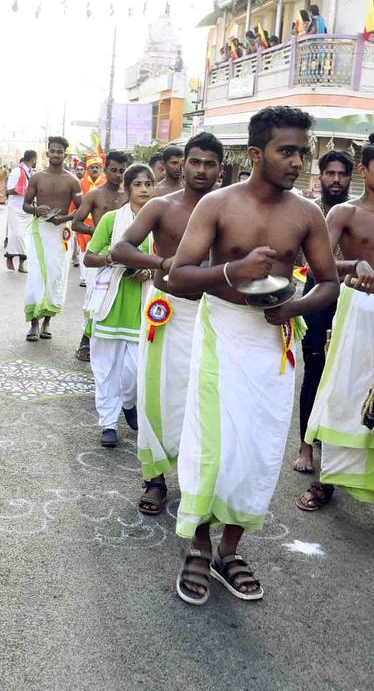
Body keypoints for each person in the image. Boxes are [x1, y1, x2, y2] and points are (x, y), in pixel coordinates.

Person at [167, 106, 339, 605]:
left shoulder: (307, 214)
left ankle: (229, 550)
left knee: (259, 446)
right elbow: (178, 275)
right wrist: (233, 270)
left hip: (273, 341)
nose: (298, 162)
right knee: (212, 444)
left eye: (302, 152)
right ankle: (199, 546)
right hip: (221, 332)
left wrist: (294, 309)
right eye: (287, 151)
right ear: (256, 153)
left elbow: (329, 282)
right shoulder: (218, 204)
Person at [299, 134, 374, 536]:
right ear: (364, 171)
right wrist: (353, 265)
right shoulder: (344, 213)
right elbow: (318, 265)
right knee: (345, 395)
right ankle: (326, 482)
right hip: (355, 311)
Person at [110, 132, 222, 515]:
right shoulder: (161, 205)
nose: (201, 170)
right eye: (195, 161)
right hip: (167, 310)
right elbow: (121, 248)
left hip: (213, 313)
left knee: (205, 399)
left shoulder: (229, 208)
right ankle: (155, 480)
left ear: (220, 169)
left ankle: (196, 482)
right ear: (182, 164)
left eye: (210, 163)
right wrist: (161, 262)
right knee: (158, 395)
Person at [82, 163, 152, 447]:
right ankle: (108, 423)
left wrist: (149, 271)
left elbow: (167, 261)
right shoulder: (112, 220)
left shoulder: (159, 221)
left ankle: (128, 403)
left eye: (148, 184)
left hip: (144, 305)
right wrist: (114, 258)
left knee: (135, 371)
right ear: (127, 188)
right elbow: (89, 258)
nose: (144, 189)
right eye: (138, 184)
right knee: (106, 368)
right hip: (110, 303)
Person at [293, 150, 353, 473]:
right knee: (314, 372)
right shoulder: (309, 212)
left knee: (344, 376)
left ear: (350, 178)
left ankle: (334, 448)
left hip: (351, 300)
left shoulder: (357, 212)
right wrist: (351, 266)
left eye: (342, 174)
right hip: (317, 298)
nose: (336, 179)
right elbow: (309, 263)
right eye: (330, 173)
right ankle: (305, 447)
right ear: (320, 176)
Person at [71, 151, 130, 361]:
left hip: (124, 252)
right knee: (93, 297)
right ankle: (86, 340)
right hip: (97, 253)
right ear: (106, 170)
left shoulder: (129, 195)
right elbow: (76, 223)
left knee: (117, 297)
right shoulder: (95, 194)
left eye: (122, 170)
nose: (118, 174)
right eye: (114, 170)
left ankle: (111, 342)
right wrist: (94, 232)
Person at [23, 136, 81, 341]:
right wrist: (36, 210)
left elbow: (82, 209)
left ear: (65, 154)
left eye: (60, 151)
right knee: (37, 275)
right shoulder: (37, 178)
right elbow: (25, 205)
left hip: (61, 232)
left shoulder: (72, 180)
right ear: (47, 153)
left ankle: (47, 321)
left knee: (56, 275)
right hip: (40, 230)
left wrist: (63, 219)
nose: (56, 154)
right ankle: (34, 323)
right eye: (53, 151)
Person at [5, 150, 37, 272]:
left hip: (28, 208)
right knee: (17, 235)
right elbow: (9, 190)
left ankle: (21, 264)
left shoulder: (33, 173)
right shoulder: (16, 171)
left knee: (26, 238)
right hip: (15, 208)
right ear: (33, 160)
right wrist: (23, 190)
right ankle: (9, 256)